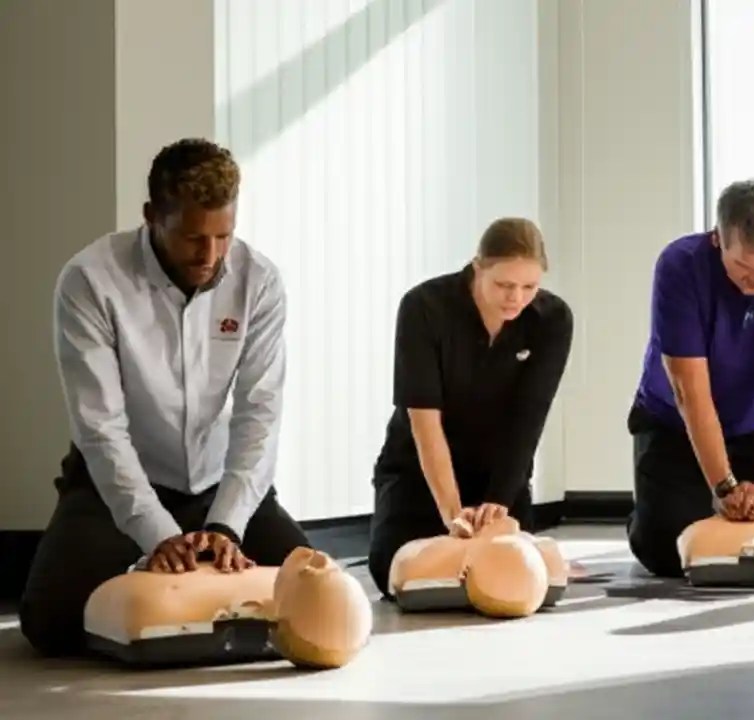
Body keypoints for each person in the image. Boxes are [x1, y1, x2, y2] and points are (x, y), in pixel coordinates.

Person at [20, 138, 310, 656]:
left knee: (313, 597)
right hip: (119, 485)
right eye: (193, 237)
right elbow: (100, 427)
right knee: (50, 624)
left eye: (225, 235)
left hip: (219, 484)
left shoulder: (259, 281)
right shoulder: (90, 280)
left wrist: (226, 525)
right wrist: (158, 534)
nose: (211, 255)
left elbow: (259, 413)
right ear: (152, 216)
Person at [625, 178, 754, 578]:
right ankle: (648, 508)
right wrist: (723, 487)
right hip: (676, 423)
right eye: (744, 268)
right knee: (666, 553)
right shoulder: (679, 265)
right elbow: (690, 391)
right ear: (718, 239)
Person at [366, 217, 573, 598]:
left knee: (518, 579)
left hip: (498, 475)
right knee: (395, 575)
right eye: (504, 285)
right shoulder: (424, 307)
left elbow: (529, 420)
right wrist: (453, 515)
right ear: (477, 267)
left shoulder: (552, 320)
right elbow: (424, 422)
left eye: (529, 286)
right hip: (419, 472)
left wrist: (497, 502)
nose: (516, 298)